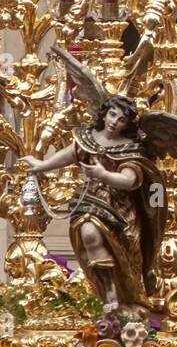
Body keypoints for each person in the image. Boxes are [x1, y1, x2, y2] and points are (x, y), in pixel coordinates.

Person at [21, 95, 164, 315]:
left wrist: (104, 174)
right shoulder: (88, 138)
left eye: (122, 119)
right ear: (105, 113)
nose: (115, 121)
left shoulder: (130, 148)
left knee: (126, 255)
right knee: (89, 235)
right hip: (90, 199)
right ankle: (108, 292)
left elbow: (130, 180)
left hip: (120, 209)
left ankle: (128, 298)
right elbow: (68, 155)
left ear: (128, 125)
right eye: (112, 114)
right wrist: (41, 165)